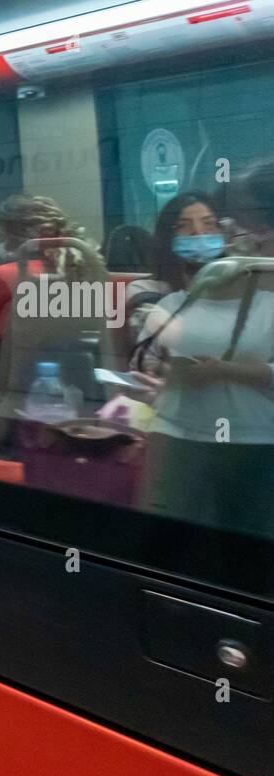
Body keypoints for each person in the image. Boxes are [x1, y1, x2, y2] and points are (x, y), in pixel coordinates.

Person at [132, 165, 274, 538]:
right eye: (186, 225)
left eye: (214, 222)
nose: (208, 232)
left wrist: (226, 371)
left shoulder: (262, 296)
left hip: (256, 440)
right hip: (183, 432)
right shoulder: (165, 299)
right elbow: (149, 369)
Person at [0, 195, 107, 421]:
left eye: (0, 232)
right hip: (81, 385)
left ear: (14, 234)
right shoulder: (89, 272)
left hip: (6, 386)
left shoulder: (4, 276)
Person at [125, 192, 224, 335]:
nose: (198, 233)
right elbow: (161, 338)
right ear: (167, 237)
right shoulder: (144, 289)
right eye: (184, 226)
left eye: (209, 224)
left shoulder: (238, 283)